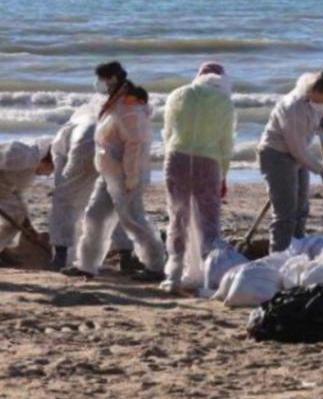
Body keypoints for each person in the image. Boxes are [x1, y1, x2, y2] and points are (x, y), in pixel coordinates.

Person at [64, 82, 166, 281]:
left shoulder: (132, 113)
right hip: (109, 175)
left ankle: (155, 267)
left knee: (133, 220)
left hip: (127, 176)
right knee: (95, 216)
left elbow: (134, 148)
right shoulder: (114, 110)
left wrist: (131, 177)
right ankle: (86, 265)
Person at [49, 61, 137, 271]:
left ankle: (60, 256)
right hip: (113, 146)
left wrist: (63, 183)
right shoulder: (120, 107)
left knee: (64, 200)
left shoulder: (78, 118)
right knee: (117, 201)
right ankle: (126, 257)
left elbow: (61, 158)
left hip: (83, 144)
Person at [161, 62, 236, 293]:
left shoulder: (178, 94)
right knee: (209, 221)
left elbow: (168, 132)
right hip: (208, 162)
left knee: (177, 216)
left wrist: (171, 158)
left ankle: (173, 275)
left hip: (177, 158)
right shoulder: (225, 102)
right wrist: (224, 176)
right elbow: (226, 144)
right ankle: (209, 277)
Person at [258, 71, 323, 252]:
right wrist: (322, 172)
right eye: (318, 101)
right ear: (309, 93)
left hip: (299, 152)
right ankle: (278, 257)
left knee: (301, 209)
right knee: (285, 213)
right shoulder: (292, 108)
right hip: (277, 154)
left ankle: (297, 250)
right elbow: (297, 150)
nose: (321, 105)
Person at [0, 138, 54, 257]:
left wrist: (27, 224)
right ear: (46, 161)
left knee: (17, 216)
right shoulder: (23, 155)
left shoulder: (29, 173)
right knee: (16, 216)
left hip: (3, 190)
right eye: (51, 168)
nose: (49, 174)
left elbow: (18, 195)